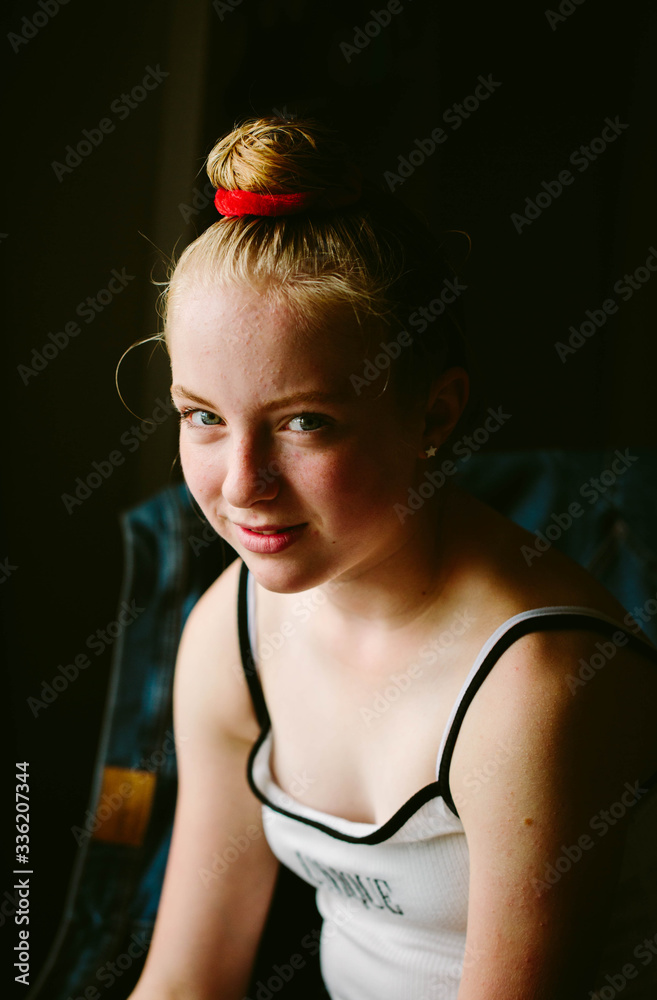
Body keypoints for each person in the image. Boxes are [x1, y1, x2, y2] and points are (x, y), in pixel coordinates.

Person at [126, 115, 657, 1000]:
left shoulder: (537, 683)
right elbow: (186, 981)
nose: (243, 483)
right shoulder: (233, 629)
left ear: (434, 415)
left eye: (305, 422)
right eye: (203, 417)